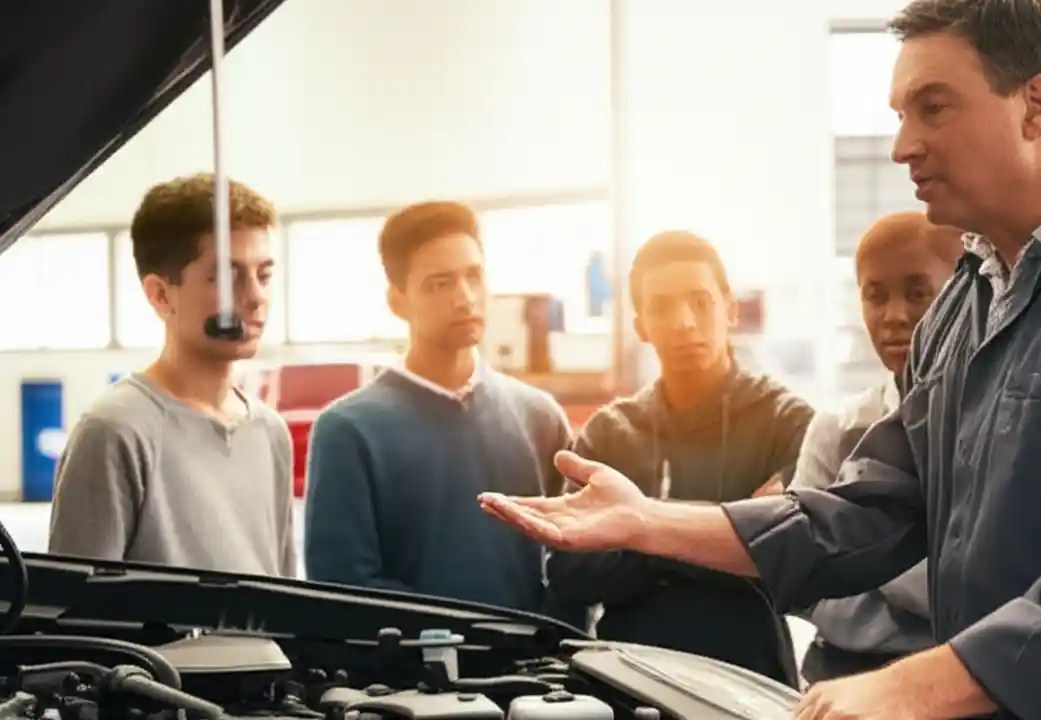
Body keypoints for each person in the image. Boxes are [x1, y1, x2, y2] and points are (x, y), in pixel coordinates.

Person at [479, 0, 1041, 717]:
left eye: (934, 108)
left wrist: (909, 682)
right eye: (900, 113)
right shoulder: (970, 300)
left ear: (1037, 104)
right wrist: (652, 521)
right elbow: (870, 509)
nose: (902, 146)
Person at [545, 231, 814, 685]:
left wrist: (634, 531)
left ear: (730, 309)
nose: (684, 322)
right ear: (641, 324)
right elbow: (571, 573)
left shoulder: (787, 422)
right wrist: (729, 528)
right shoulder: (610, 434)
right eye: (662, 306)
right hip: (631, 683)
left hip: (752, 683)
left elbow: (788, 562)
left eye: (700, 302)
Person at [304, 201, 581, 625]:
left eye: (474, 276)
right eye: (439, 284)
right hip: (408, 681)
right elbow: (342, 584)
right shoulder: (348, 430)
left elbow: (572, 566)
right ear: (398, 301)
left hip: (536, 678)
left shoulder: (538, 416)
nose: (465, 298)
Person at [49, 173, 296, 577]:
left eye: (264, 274)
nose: (255, 297)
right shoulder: (114, 431)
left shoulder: (270, 432)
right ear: (161, 295)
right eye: (228, 275)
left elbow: (285, 600)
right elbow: (77, 617)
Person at [792, 212, 962, 682]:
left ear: (963, 293)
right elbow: (801, 578)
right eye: (875, 295)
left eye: (917, 292)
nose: (895, 316)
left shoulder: (989, 427)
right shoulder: (837, 429)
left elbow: (987, 593)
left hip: (959, 684)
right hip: (839, 676)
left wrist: (856, 558)